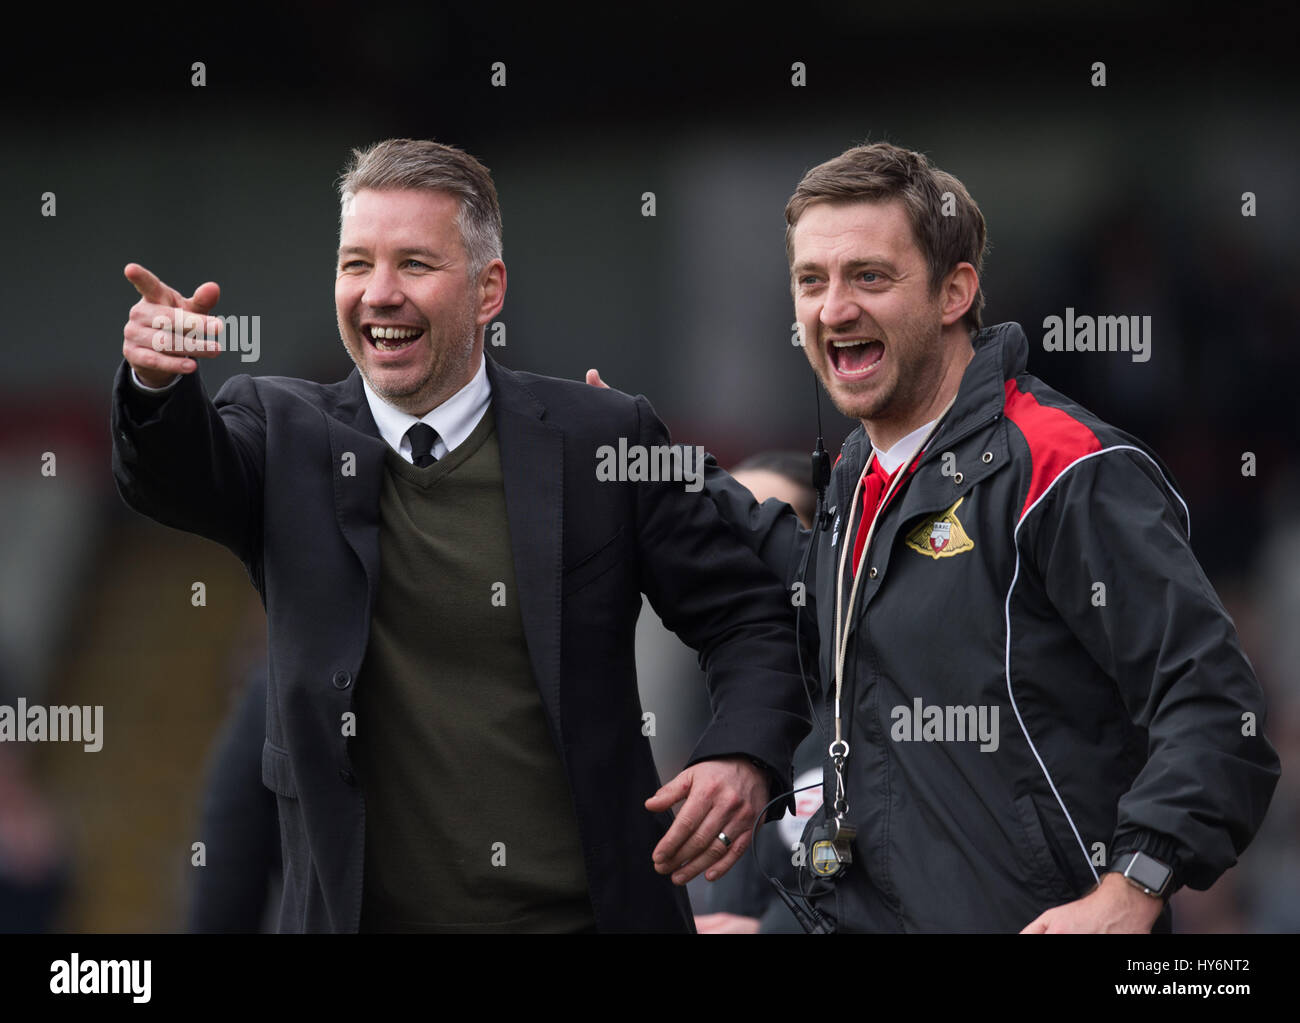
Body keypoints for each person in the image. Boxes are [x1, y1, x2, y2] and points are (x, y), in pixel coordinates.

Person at [110, 138, 809, 933]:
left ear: (487, 290)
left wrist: (740, 753)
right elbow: (173, 478)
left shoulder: (599, 439)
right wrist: (155, 384)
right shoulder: (278, 431)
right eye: (355, 264)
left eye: (414, 264)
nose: (379, 293)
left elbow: (750, 616)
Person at [600, 141, 1281, 932]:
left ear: (956, 291)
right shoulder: (860, 477)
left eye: (870, 277)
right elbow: (891, 814)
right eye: (810, 281)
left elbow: (1214, 703)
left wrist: (1132, 886)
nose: (833, 308)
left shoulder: (1062, 465)